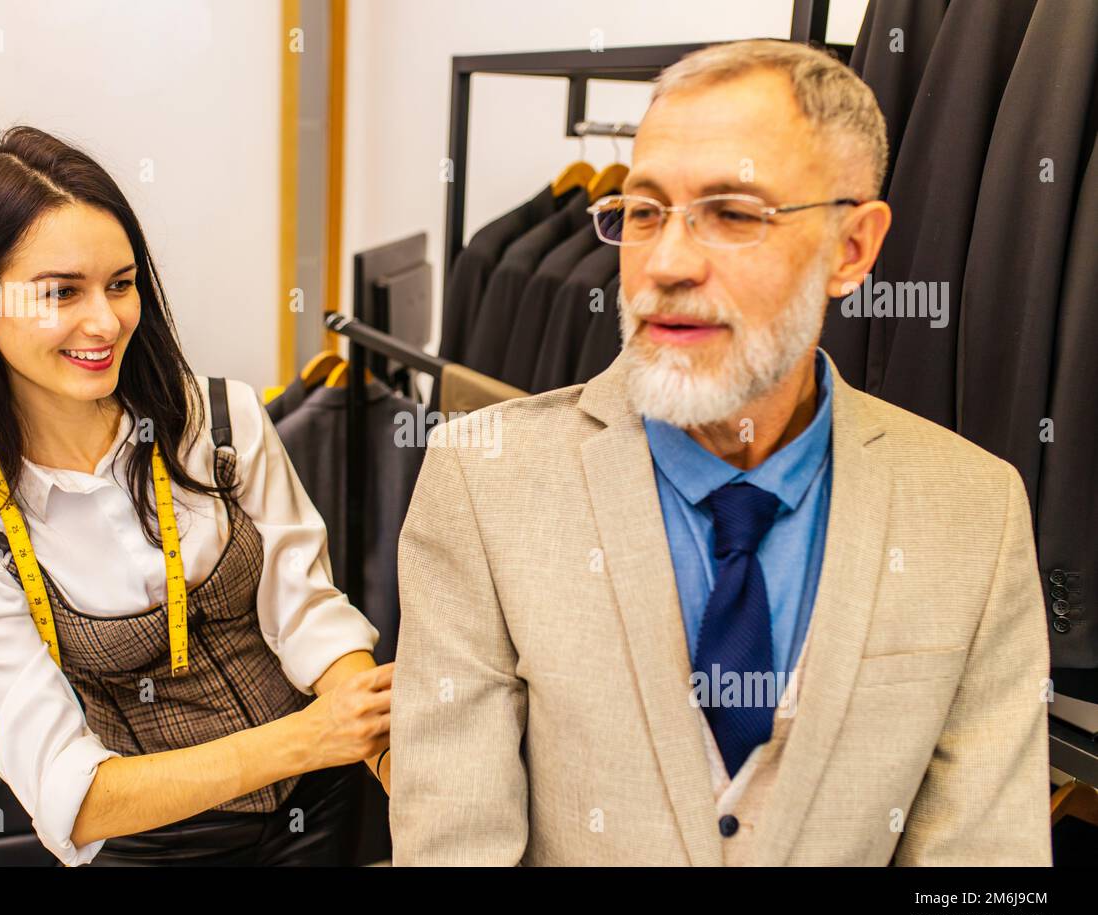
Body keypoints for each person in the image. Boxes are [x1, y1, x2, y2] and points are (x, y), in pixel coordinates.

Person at [390, 40, 1052, 865]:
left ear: (852, 248)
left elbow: (986, 869)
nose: (665, 263)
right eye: (642, 211)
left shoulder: (975, 509)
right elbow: (455, 846)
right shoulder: (482, 482)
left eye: (734, 214)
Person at [0, 126, 392, 867]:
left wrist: (384, 746)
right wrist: (307, 736)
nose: (106, 322)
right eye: (61, 292)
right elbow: (73, 799)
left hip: (323, 807)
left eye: (120, 282)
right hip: (161, 849)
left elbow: (306, 613)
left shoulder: (225, 424)